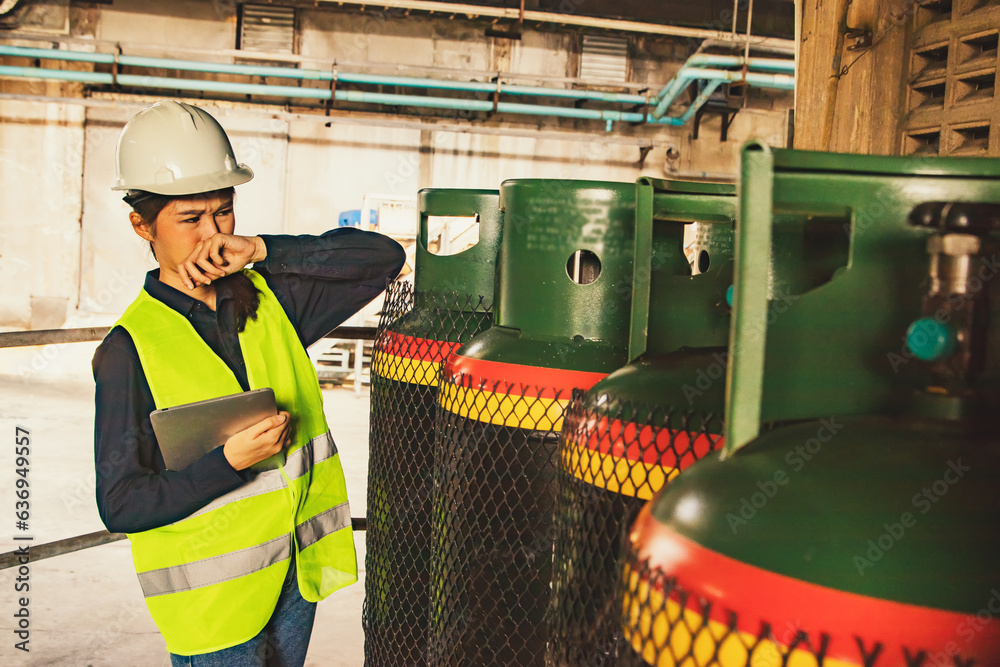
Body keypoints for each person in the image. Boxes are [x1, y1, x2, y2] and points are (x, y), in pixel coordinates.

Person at [92, 100, 405, 666]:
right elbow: (121, 504)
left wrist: (261, 249)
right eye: (190, 220)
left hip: (295, 576)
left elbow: (382, 257)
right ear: (142, 225)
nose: (212, 235)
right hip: (213, 606)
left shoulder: (272, 302)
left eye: (224, 212)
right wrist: (227, 463)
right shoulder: (127, 351)